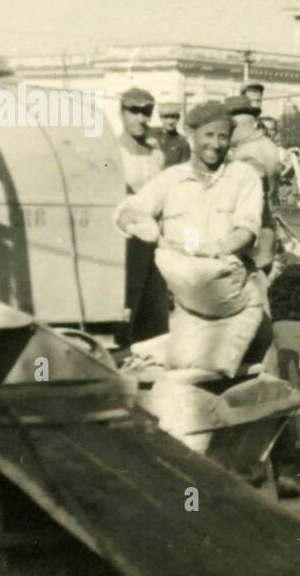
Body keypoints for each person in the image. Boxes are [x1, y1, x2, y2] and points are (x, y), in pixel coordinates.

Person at [113, 100, 269, 377]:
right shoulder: (172, 179)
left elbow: (246, 230)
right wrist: (139, 223)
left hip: (235, 302)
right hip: (192, 307)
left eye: (223, 136)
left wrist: (215, 249)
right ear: (191, 134)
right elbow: (128, 209)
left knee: (254, 370)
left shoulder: (243, 176)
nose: (216, 144)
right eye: (209, 135)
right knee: (183, 374)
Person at [116, 87, 170, 346]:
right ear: (121, 112)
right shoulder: (112, 153)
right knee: (127, 306)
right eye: (133, 111)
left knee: (157, 310)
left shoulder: (157, 155)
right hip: (125, 242)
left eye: (146, 112)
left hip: (156, 243)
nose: (141, 119)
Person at [225, 95, 286, 271]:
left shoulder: (247, 155)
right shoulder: (266, 144)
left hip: (252, 241)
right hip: (267, 231)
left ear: (235, 127)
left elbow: (251, 201)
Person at [157, 101, 191, 167]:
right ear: (160, 118)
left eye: (173, 117)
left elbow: (184, 167)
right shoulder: (150, 134)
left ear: (178, 118)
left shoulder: (182, 142)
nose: (170, 122)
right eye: (166, 117)